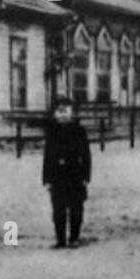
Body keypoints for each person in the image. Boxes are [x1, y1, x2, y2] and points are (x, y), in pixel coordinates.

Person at [43, 98, 91, 249]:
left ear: (72, 113)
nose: (62, 115)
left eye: (66, 111)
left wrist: (85, 177)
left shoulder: (79, 131)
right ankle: (60, 239)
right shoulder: (52, 131)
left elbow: (86, 155)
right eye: (59, 111)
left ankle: (74, 238)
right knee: (58, 209)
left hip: (75, 175)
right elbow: (47, 156)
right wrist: (47, 178)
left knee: (76, 208)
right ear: (55, 114)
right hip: (57, 176)